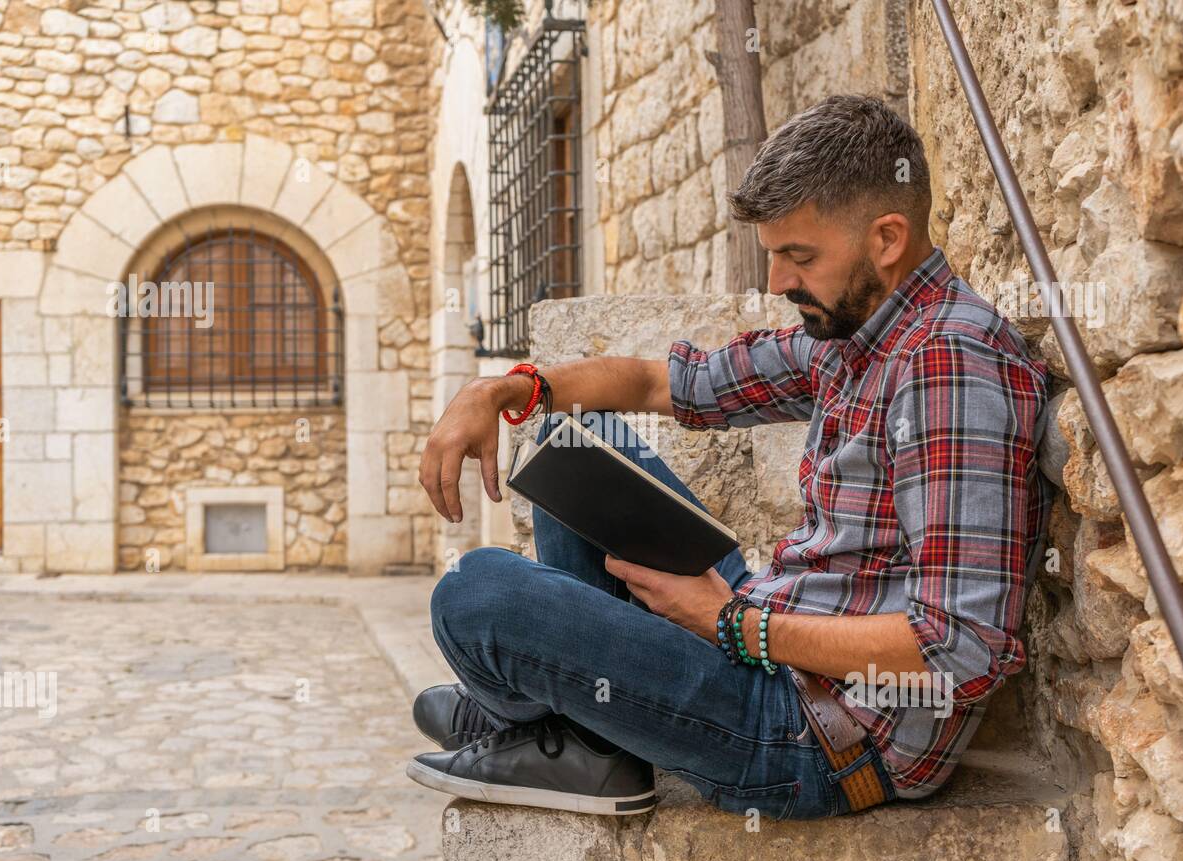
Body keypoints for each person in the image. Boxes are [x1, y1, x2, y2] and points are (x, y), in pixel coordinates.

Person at [406, 94, 1053, 821]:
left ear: (887, 238)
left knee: (474, 594)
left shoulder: (948, 364)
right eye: (774, 255)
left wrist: (732, 626)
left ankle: (541, 726)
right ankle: (575, 738)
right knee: (580, 441)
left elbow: (961, 646)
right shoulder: (854, 336)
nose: (778, 282)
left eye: (798, 257)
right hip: (775, 638)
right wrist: (505, 390)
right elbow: (662, 382)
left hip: (820, 736)